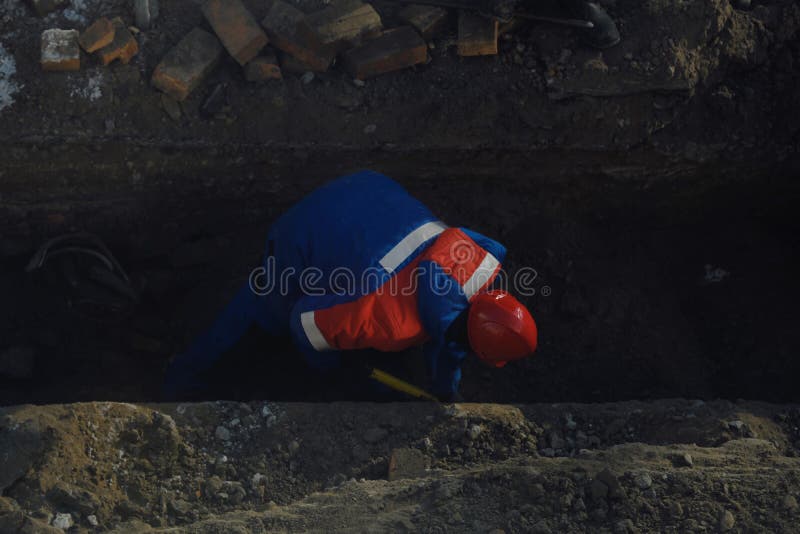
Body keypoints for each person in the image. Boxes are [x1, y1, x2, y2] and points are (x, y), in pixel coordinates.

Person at [163, 171, 538, 401]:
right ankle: (181, 380)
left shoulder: (480, 258)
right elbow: (305, 323)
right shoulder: (392, 323)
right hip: (302, 237)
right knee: (265, 308)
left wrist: (445, 389)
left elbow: (454, 334)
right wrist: (334, 369)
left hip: (370, 192)